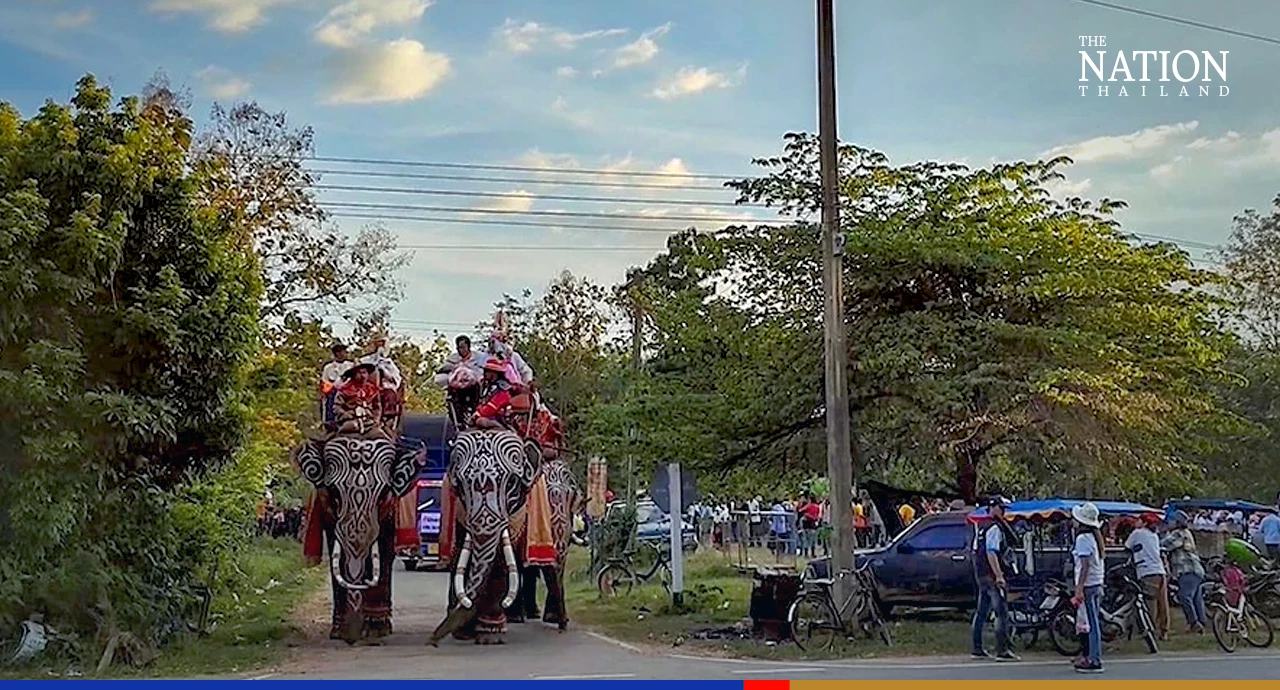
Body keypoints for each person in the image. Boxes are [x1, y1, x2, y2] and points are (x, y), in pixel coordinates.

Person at [971, 496, 1018, 662]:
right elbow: (991, 552)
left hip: (981, 574)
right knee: (1001, 612)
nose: (1004, 512)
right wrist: (999, 575)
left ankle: (977, 648)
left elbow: (976, 551)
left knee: (982, 611)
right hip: (991, 575)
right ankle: (1002, 650)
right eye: (1002, 509)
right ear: (994, 508)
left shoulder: (980, 527)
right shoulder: (994, 528)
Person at [1121, 514, 1169, 640]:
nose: (1136, 522)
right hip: (1160, 571)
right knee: (1162, 603)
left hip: (1147, 571)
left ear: (1144, 523)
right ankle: (1164, 630)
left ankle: (1149, 630)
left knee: (1149, 602)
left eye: (1139, 520)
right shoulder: (1154, 536)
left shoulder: (1138, 533)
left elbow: (1127, 546)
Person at [1071, 502, 1105, 673]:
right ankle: (1093, 656)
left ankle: (1094, 659)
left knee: (1091, 624)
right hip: (1097, 583)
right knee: (1094, 622)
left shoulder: (1083, 539)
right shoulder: (1094, 538)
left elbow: (1084, 566)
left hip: (1089, 585)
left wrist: (1079, 588)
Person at [1161, 510, 1207, 634]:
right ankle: (1201, 622)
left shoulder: (1178, 534)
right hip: (1197, 569)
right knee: (1196, 598)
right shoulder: (1187, 532)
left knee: (1184, 596)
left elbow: (1163, 545)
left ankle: (1193, 623)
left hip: (1187, 569)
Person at [360, 335, 404, 435]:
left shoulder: (389, 363)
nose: (380, 346)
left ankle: (386, 422)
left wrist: (384, 372)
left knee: (390, 394)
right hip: (368, 389)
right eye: (378, 343)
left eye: (382, 344)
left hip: (385, 389)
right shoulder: (366, 360)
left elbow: (396, 379)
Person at [334, 362, 382, 436]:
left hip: (368, 421)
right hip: (351, 419)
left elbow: (377, 407)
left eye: (364, 372)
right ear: (354, 375)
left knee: (379, 433)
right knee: (350, 427)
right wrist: (346, 415)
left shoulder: (373, 389)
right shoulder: (344, 390)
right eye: (359, 373)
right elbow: (337, 407)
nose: (362, 376)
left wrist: (376, 419)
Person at [319, 343, 353, 431]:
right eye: (341, 351)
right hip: (333, 392)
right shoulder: (328, 368)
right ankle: (330, 421)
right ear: (336, 353)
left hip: (349, 392)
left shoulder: (351, 366)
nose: (344, 353)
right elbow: (325, 383)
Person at [471, 359, 514, 429]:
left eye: (488, 371)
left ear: (494, 373)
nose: (485, 374)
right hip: (488, 415)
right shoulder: (487, 387)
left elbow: (492, 406)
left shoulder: (502, 389)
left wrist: (478, 414)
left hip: (499, 418)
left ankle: (501, 428)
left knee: (481, 421)